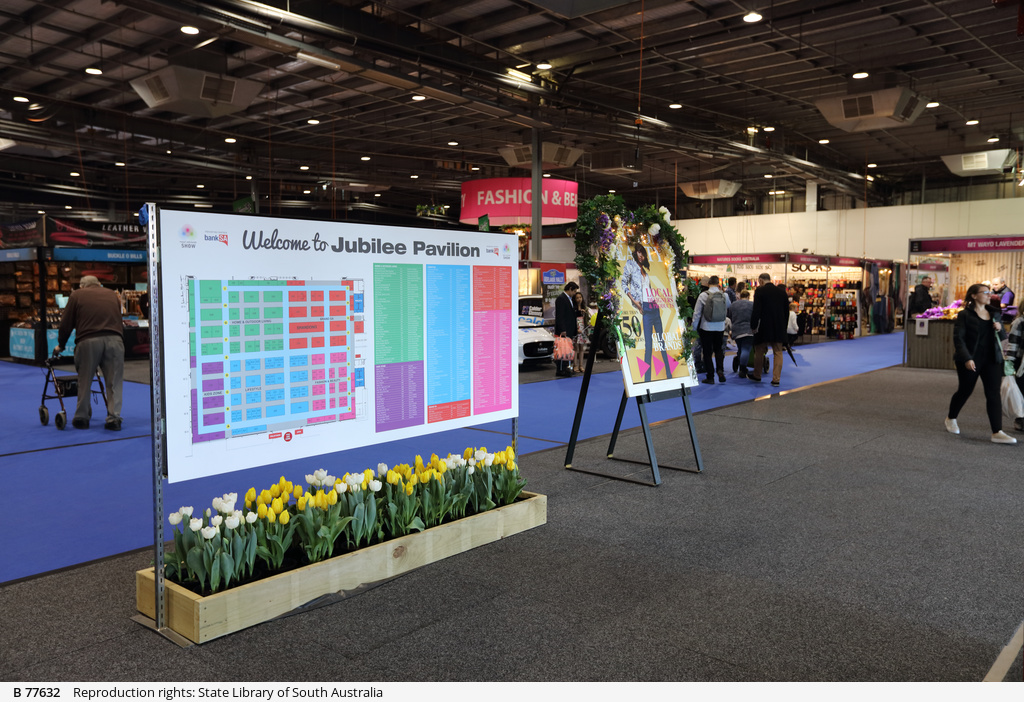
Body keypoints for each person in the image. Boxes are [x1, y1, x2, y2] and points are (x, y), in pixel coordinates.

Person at [945, 283, 1016, 444]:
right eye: (985, 292)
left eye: (989, 292)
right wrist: (967, 358)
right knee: (965, 390)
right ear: (974, 295)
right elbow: (959, 338)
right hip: (970, 359)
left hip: (992, 359)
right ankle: (951, 418)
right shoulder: (965, 315)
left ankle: (997, 431)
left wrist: (1000, 329)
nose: (989, 295)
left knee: (993, 394)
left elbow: (1003, 338)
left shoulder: (995, 314)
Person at [53, 275, 125, 431]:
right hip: (115, 340)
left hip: (88, 341)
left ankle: (82, 418)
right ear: (99, 284)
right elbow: (119, 318)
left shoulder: (77, 295)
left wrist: (61, 344)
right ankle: (114, 419)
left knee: (84, 381)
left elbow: (66, 323)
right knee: (114, 382)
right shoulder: (112, 294)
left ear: (81, 285)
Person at [622, 243, 672, 383]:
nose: (641, 255)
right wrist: (635, 302)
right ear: (635, 253)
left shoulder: (645, 271)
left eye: (642, 253)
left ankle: (669, 375)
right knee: (648, 346)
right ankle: (647, 379)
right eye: (638, 252)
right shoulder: (631, 266)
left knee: (662, 343)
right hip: (645, 309)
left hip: (654, 307)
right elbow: (624, 284)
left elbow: (648, 289)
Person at [748, 272, 789, 387]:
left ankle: (757, 375)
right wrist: (784, 327)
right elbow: (786, 312)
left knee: (759, 351)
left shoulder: (760, 291)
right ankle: (776, 379)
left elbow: (756, 311)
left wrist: (753, 325)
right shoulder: (782, 292)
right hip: (779, 326)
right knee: (778, 352)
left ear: (761, 280)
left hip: (764, 326)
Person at [692, 275, 731, 384]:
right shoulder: (724, 295)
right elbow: (728, 306)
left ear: (708, 283)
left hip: (706, 327)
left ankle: (710, 376)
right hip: (720, 327)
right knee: (718, 350)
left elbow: (697, 313)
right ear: (718, 283)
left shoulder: (703, 295)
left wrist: (694, 329)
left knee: (707, 352)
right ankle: (720, 370)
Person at [1004, 305, 1024, 432]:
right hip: (1020, 362)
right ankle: (1020, 420)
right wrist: (1009, 364)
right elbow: (1012, 344)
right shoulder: (1019, 322)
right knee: (1021, 392)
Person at [554, 281, 579, 377]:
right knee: (562, 350)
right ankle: (561, 370)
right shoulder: (561, 299)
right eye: (574, 291)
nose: (574, 293)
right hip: (564, 330)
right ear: (570, 289)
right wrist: (563, 329)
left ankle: (566, 368)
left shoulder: (568, 299)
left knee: (567, 350)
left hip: (569, 329)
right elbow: (560, 316)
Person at [727, 289, 754, 378]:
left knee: (740, 348)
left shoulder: (733, 305)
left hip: (736, 330)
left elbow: (730, 316)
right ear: (748, 296)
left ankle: (740, 363)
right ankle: (742, 369)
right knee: (746, 349)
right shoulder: (752, 305)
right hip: (748, 329)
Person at [572, 291, 590, 373]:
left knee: (581, 348)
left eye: (580, 297)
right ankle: (575, 365)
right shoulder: (573, 308)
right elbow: (574, 317)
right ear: (575, 299)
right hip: (576, 328)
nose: (579, 299)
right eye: (577, 298)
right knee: (575, 347)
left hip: (583, 327)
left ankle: (581, 365)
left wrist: (587, 330)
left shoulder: (585, 308)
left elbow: (587, 320)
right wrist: (579, 308)